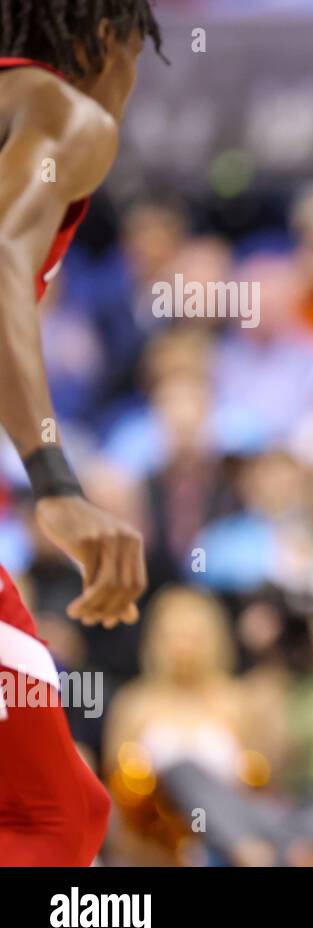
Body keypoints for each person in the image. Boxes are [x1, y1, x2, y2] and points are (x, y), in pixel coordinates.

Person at [0, 1, 160, 865]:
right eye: (139, 58)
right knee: (49, 815)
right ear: (106, 40)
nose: (133, 90)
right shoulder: (70, 113)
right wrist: (56, 486)